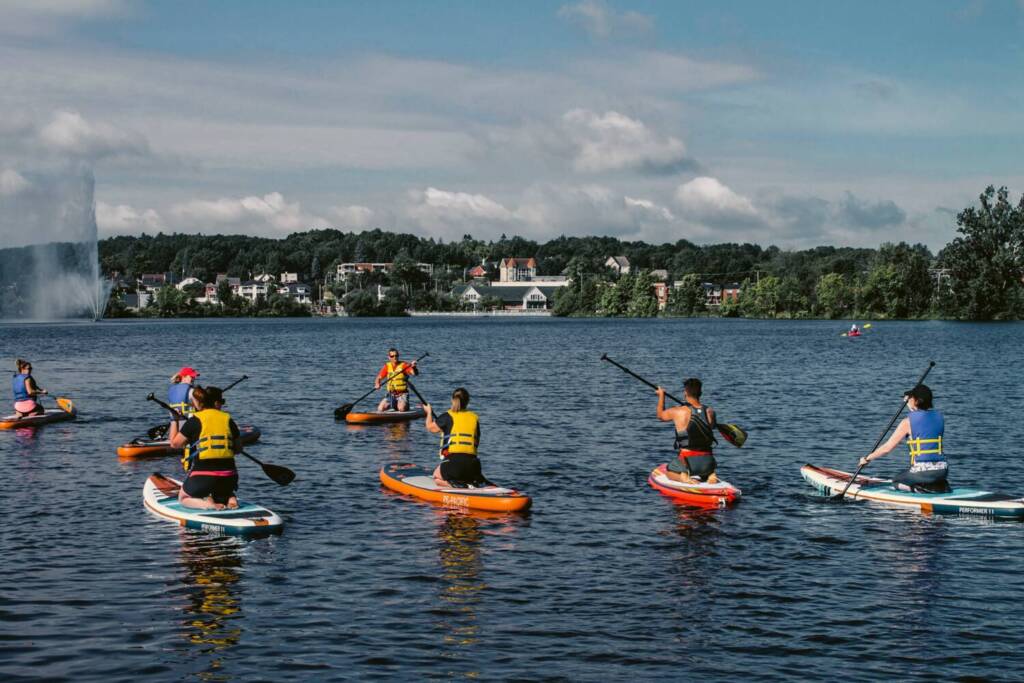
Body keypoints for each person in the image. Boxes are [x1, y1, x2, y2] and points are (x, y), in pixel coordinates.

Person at [859, 384, 949, 492]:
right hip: (943, 470)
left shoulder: (907, 422)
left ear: (916, 401)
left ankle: (920, 489)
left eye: (911, 398)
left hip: (923, 472)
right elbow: (923, 419)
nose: (908, 400)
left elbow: (887, 448)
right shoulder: (939, 417)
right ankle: (937, 484)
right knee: (920, 475)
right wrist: (911, 402)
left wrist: (867, 458)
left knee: (897, 480)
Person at [168, 386, 241, 510]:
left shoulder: (194, 420)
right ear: (216, 403)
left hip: (204, 477)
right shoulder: (228, 419)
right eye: (221, 402)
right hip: (230, 478)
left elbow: (174, 444)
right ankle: (229, 498)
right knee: (219, 489)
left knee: (183, 498)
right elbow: (239, 449)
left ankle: (209, 505)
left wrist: (174, 420)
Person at [657, 378, 719, 484]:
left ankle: (683, 477)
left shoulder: (678, 411)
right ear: (700, 393)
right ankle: (711, 474)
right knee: (706, 467)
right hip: (708, 462)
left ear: (685, 393)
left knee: (668, 472)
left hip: (687, 462)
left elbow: (660, 416)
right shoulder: (710, 411)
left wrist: (661, 395)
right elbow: (712, 427)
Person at [425, 387, 487, 488]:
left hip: (454, 465)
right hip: (473, 466)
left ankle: (455, 485)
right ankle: (470, 481)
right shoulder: (474, 418)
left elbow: (430, 427)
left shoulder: (447, 416)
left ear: (452, 400)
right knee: (465, 470)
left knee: (436, 477)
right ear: (468, 401)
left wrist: (428, 412)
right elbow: (476, 440)